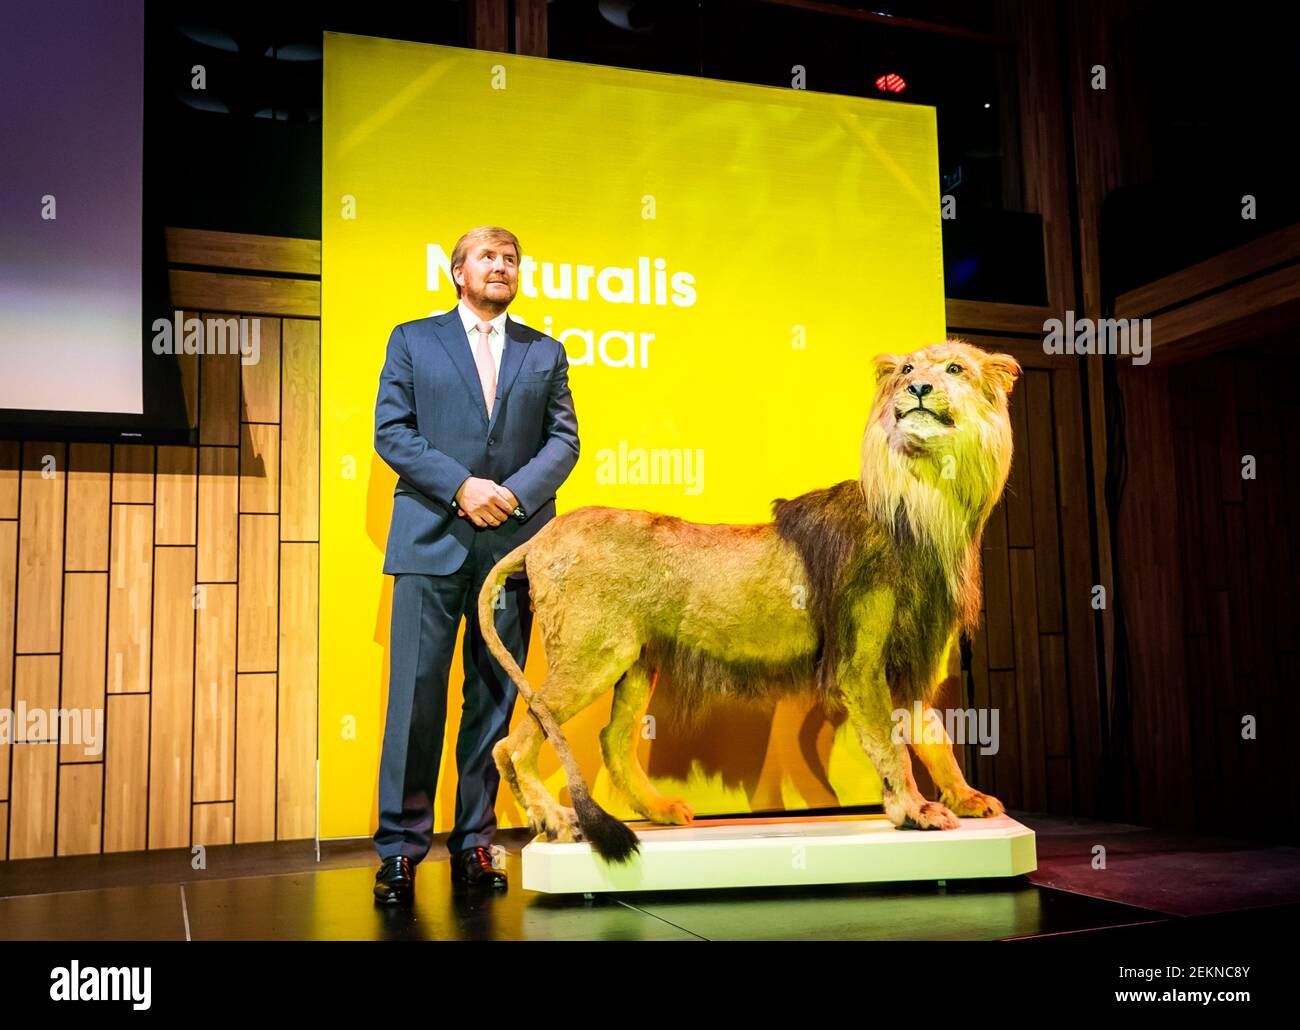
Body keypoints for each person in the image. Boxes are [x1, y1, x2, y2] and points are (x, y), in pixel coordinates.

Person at [371, 225, 579, 902]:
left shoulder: (544, 351)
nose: (502, 265)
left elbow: (564, 441)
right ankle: (400, 851)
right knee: (415, 701)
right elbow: (392, 432)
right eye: (488, 256)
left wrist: (512, 495)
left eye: (511, 258)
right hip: (430, 543)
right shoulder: (413, 339)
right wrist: (463, 487)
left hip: (512, 552)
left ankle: (475, 844)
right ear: (457, 271)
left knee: (492, 702)